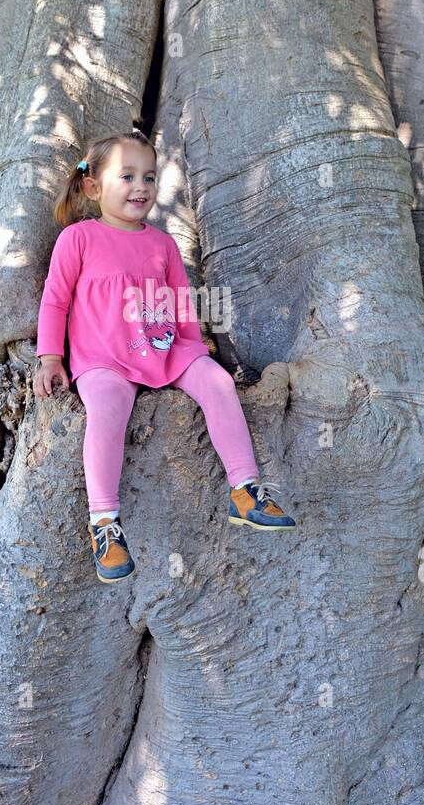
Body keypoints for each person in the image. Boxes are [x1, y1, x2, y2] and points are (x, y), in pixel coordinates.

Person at [32, 126, 297, 582]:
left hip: (163, 348)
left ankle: (246, 489)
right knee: (108, 410)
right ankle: (104, 523)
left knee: (216, 382)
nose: (141, 188)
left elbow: (179, 303)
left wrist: (194, 350)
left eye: (150, 178)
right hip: (103, 357)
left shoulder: (162, 244)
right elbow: (54, 300)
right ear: (94, 186)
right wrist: (51, 358)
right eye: (128, 176)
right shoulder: (79, 239)